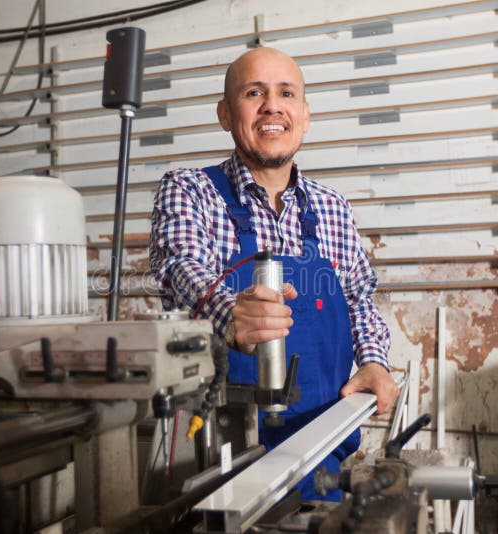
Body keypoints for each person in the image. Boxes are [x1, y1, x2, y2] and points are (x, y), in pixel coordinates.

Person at [149, 47, 399, 500]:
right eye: (254, 93)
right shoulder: (189, 190)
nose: (272, 106)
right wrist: (231, 314)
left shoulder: (332, 208)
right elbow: (178, 267)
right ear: (226, 114)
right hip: (219, 457)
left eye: (286, 93)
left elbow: (360, 299)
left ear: (303, 115)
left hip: (322, 446)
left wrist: (374, 362)